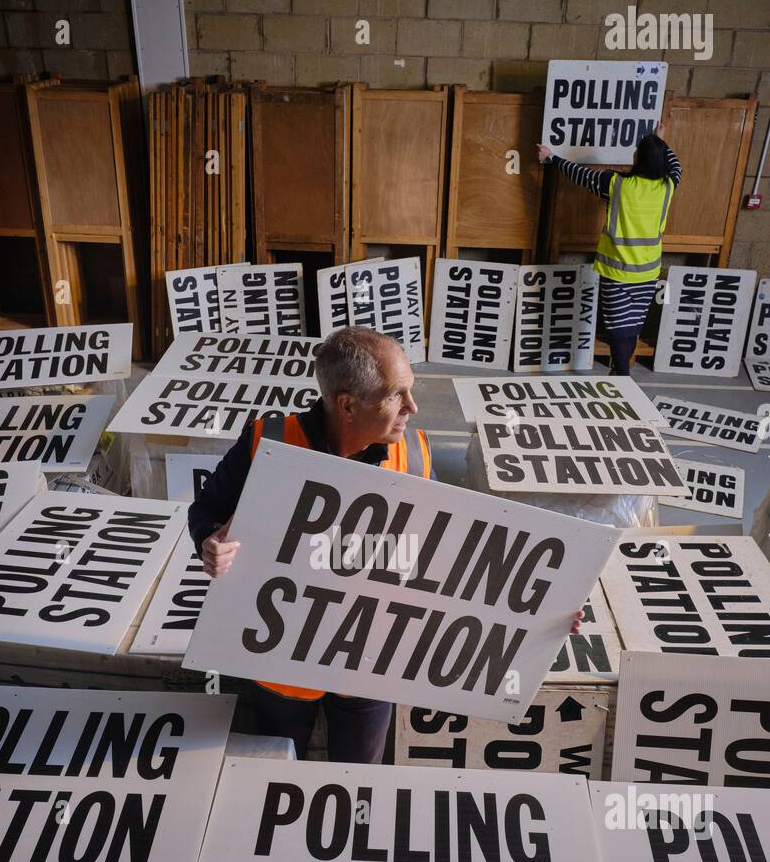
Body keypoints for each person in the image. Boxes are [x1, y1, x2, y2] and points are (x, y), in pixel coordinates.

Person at [189, 325, 589, 763]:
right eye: (397, 395)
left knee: (359, 781)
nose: (413, 408)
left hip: (370, 665)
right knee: (275, 774)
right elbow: (206, 510)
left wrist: (541, 608)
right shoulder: (269, 440)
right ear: (347, 405)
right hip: (279, 668)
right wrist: (210, 542)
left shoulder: (414, 454)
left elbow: (454, 548)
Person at [537, 122, 682, 377]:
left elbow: (580, 174)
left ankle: (622, 376)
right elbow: (676, 166)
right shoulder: (667, 187)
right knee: (631, 328)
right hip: (648, 274)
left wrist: (552, 158)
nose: (634, 153)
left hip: (616, 273)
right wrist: (661, 142)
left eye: (638, 150)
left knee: (617, 329)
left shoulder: (616, 185)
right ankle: (620, 373)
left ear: (640, 158)